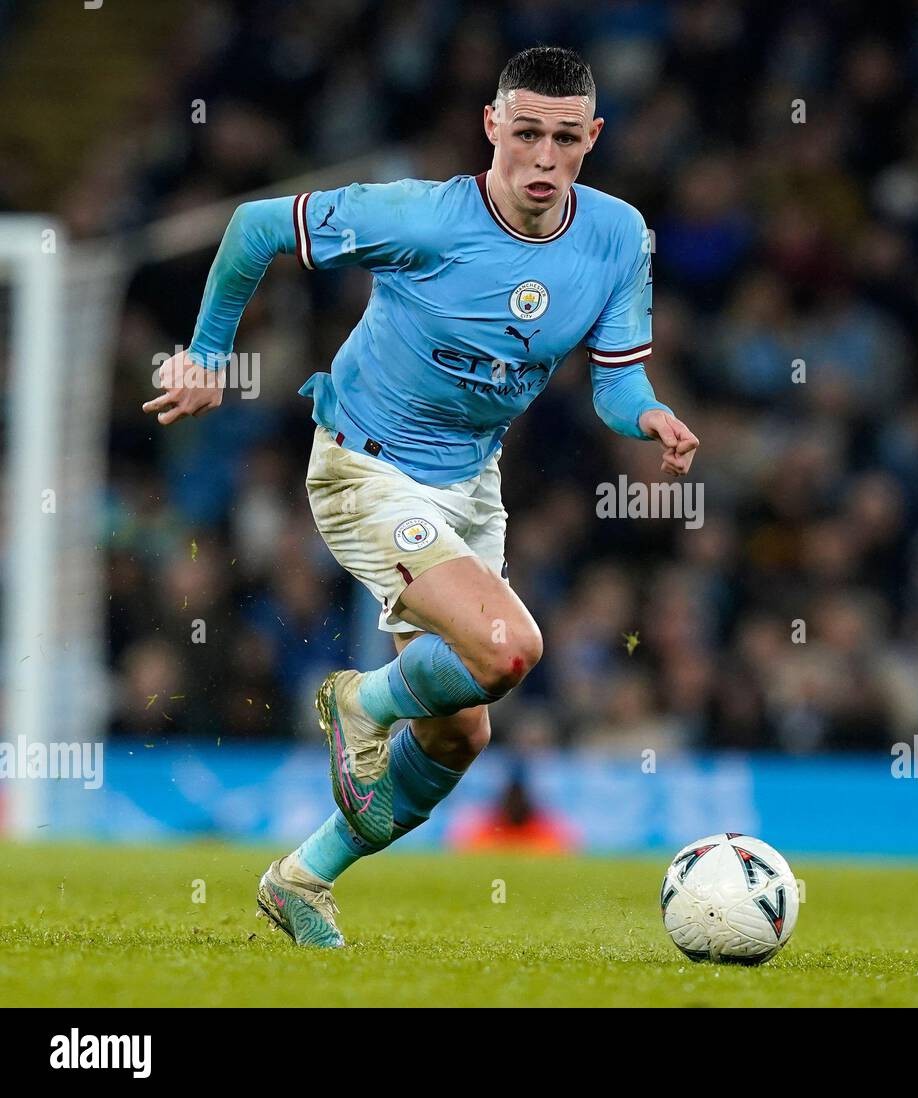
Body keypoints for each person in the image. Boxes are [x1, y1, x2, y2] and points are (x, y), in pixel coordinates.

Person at [143, 46, 698, 947]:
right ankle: (358, 702)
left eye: (565, 138)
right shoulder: (422, 217)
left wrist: (651, 417)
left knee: (457, 739)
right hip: (365, 468)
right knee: (511, 646)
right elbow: (254, 226)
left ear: (592, 137)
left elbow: (615, 383)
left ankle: (300, 879)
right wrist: (208, 352)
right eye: (526, 134)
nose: (545, 159)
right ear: (492, 127)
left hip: (472, 483)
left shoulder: (618, 236)